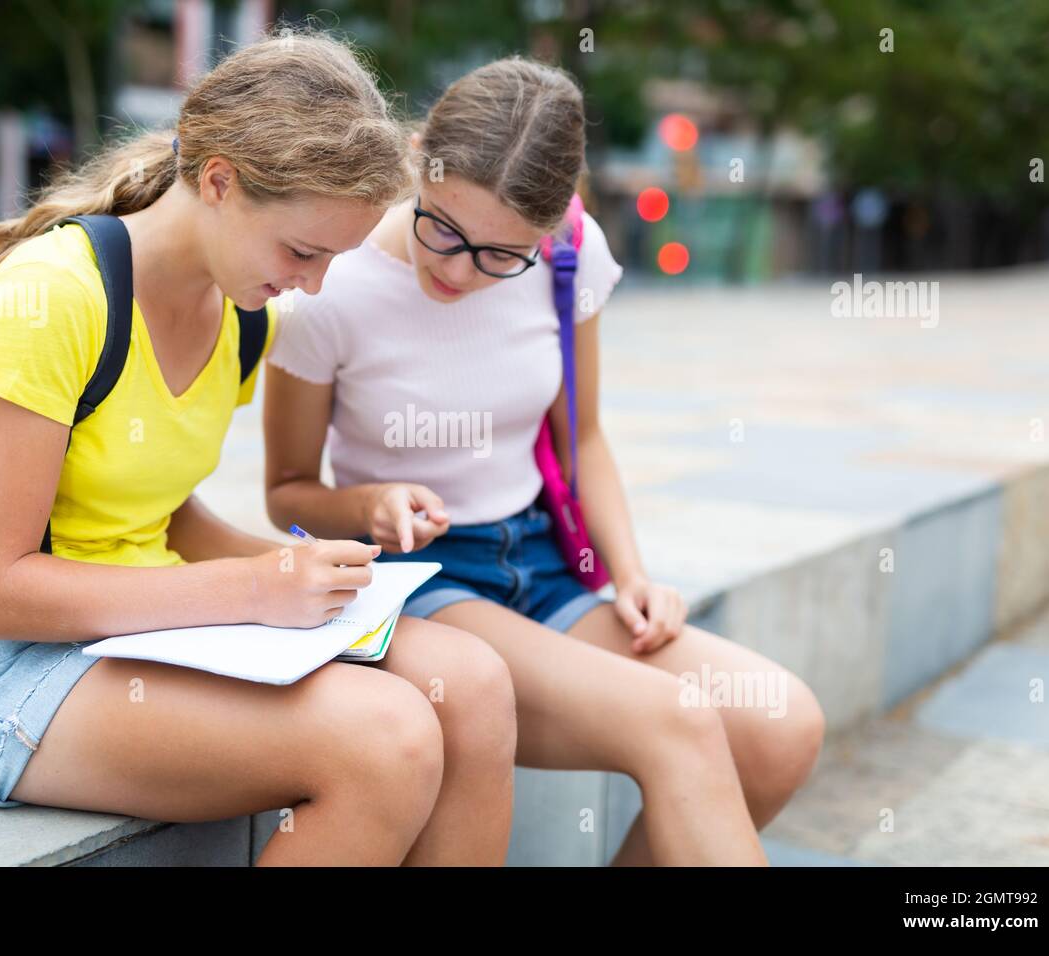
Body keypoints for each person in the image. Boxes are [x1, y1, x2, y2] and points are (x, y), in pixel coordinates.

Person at [0, 32, 517, 867]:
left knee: (474, 684)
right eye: (303, 251)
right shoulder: (52, 297)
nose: (314, 285)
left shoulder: (242, 312)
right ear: (219, 180)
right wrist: (251, 586)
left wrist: (315, 578)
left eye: (334, 258)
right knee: (388, 739)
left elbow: (159, 510)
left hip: (133, 630)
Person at [263, 57, 826, 866]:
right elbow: (286, 491)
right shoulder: (335, 283)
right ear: (418, 156)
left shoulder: (570, 253)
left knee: (781, 726)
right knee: (680, 720)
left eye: (500, 255)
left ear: (554, 221)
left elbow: (582, 438)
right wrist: (372, 501)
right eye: (443, 228)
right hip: (421, 580)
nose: (458, 271)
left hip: (543, 564)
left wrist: (630, 572)